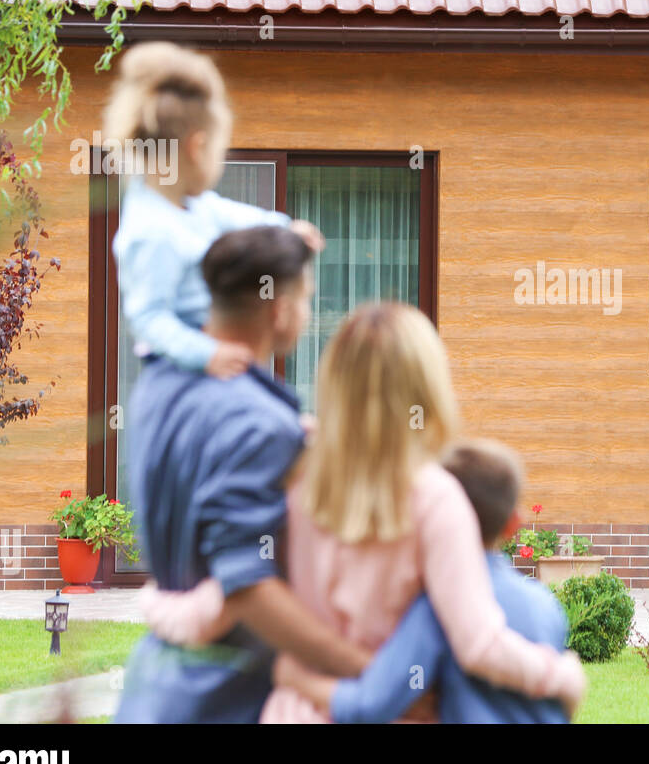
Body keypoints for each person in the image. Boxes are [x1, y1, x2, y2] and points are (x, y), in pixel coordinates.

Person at [138, 302, 586, 721]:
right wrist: (563, 677)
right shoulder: (434, 498)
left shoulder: (292, 482)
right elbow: (480, 646)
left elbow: (224, 602)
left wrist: (154, 601)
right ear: (427, 389)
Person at [114, 226, 370, 723]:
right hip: (227, 699)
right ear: (279, 309)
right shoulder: (260, 423)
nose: (307, 312)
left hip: (155, 688)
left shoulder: (161, 384)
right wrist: (361, 669)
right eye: (306, 299)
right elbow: (247, 584)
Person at [274, 440, 571, 723]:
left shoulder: (436, 606)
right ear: (513, 524)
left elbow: (371, 704)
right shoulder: (545, 604)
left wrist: (297, 680)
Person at [105, 41, 323, 378]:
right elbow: (150, 319)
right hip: (180, 371)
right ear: (197, 147)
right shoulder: (151, 231)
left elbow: (230, 215)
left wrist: (284, 228)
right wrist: (207, 354)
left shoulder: (188, 204)